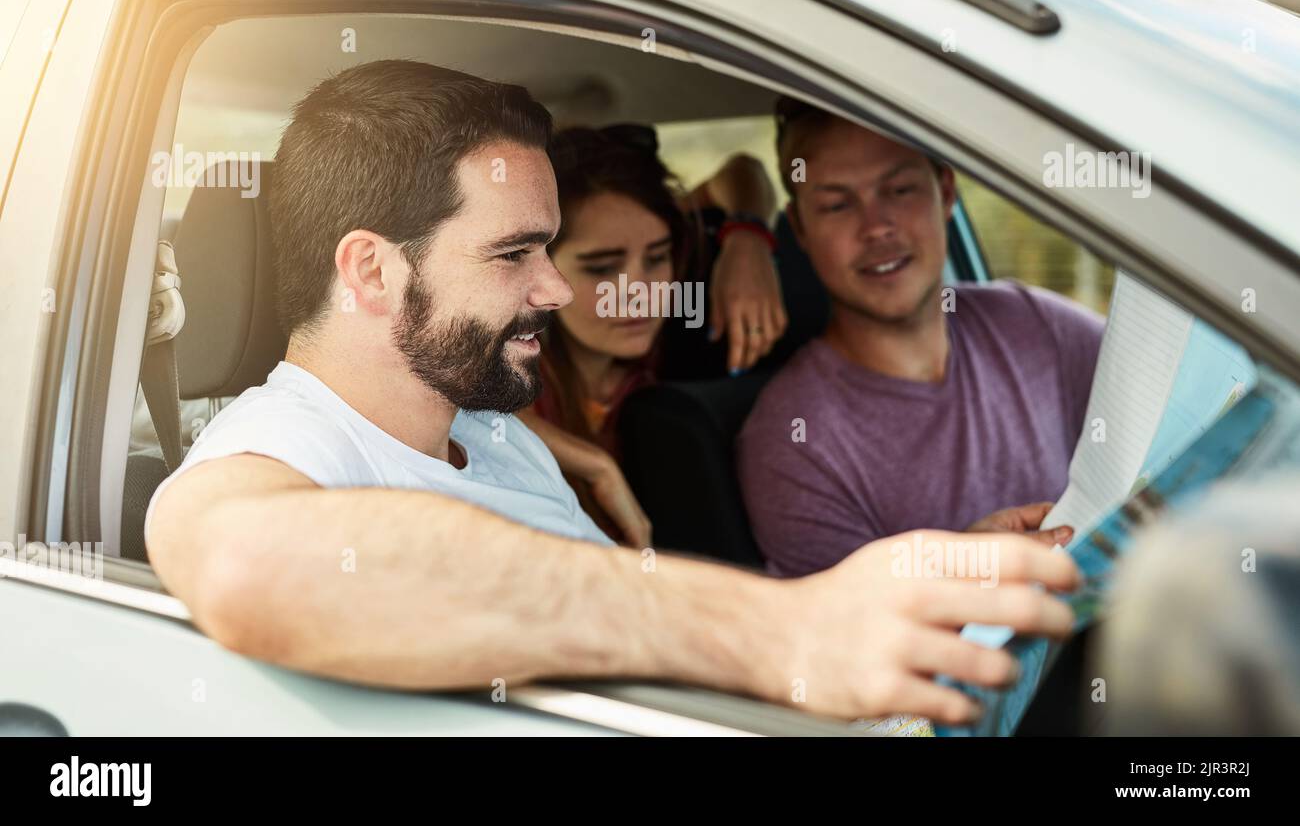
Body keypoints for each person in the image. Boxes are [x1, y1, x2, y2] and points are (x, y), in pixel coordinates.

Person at [146, 60, 1080, 725]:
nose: (555, 290)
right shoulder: (282, 446)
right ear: (374, 272)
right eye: (515, 253)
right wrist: (780, 632)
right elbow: (242, 562)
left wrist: (925, 576)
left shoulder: (490, 426)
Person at [738, 98, 1104, 578]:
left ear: (946, 192)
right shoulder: (792, 442)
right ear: (800, 229)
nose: (876, 227)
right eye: (836, 204)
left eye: (900, 189)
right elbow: (838, 641)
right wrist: (956, 576)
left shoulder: (1033, 324)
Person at [520, 126, 785, 545]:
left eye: (658, 257)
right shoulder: (505, 382)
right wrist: (592, 464)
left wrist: (748, 240)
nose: (640, 294)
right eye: (602, 269)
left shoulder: (675, 351)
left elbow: (743, 171)